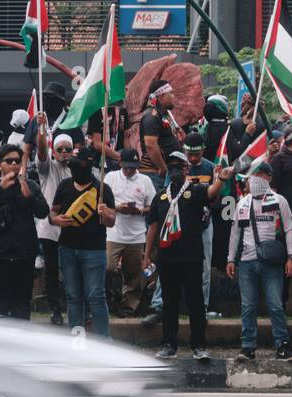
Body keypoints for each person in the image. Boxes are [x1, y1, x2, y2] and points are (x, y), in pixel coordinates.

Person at [144, 150, 222, 361]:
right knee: (169, 303)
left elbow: (212, 192)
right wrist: (146, 255)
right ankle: (169, 344)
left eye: (180, 166)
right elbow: (152, 226)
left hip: (191, 256)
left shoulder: (195, 191)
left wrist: (220, 179)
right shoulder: (160, 195)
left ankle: (199, 345)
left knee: (195, 303)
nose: (176, 171)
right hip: (167, 257)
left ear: (188, 169)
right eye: (172, 167)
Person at [227, 159, 292, 360]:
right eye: (253, 176)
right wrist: (231, 259)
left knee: (275, 304)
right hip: (247, 261)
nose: (256, 179)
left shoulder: (278, 200)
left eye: (261, 175)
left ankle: (282, 344)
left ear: (269, 178)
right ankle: (248, 346)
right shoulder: (243, 202)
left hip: (271, 261)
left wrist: (291, 257)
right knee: (248, 306)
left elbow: (289, 229)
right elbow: (235, 233)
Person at [0, 143, 50, 320]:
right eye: (9, 161)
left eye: (17, 161)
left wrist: (28, 195)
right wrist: (0, 188)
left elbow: (43, 211)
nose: (15, 164)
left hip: (24, 256)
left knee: (21, 306)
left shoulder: (30, 185)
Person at [49, 146, 117, 335]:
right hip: (67, 249)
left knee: (96, 297)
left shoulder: (103, 189)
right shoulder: (64, 186)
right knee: (73, 297)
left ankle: (103, 341)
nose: (74, 169)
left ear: (88, 165)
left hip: (94, 250)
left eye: (78, 165)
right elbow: (53, 212)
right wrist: (56, 219)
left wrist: (105, 213)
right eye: (72, 165)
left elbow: (111, 222)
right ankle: (76, 339)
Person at [103, 148, 155, 317]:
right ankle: (111, 299)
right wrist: (118, 208)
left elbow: (153, 207)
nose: (130, 170)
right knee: (109, 267)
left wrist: (139, 211)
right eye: (126, 167)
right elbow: (101, 204)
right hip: (114, 232)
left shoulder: (145, 180)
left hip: (136, 235)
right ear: (120, 164)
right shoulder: (110, 177)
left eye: (133, 167)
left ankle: (128, 308)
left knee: (133, 274)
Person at [33, 120, 73, 324]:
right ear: (54, 151)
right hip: (50, 228)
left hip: (72, 228)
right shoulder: (47, 168)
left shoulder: (76, 170)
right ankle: (55, 310)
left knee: (72, 270)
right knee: (52, 271)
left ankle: (76, 308)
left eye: (68, 149)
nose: (64, 152)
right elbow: (41, 152)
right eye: (60, 149)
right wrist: (41, 130)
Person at [139, 80, 181, 191]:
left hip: (164, 171)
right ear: (162, 96)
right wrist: (162, 167)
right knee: (158, 204)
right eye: (170, 93)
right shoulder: (151, 116)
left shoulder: (162, 114)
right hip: (155, 172)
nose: (173, 96)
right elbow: (150, 145)